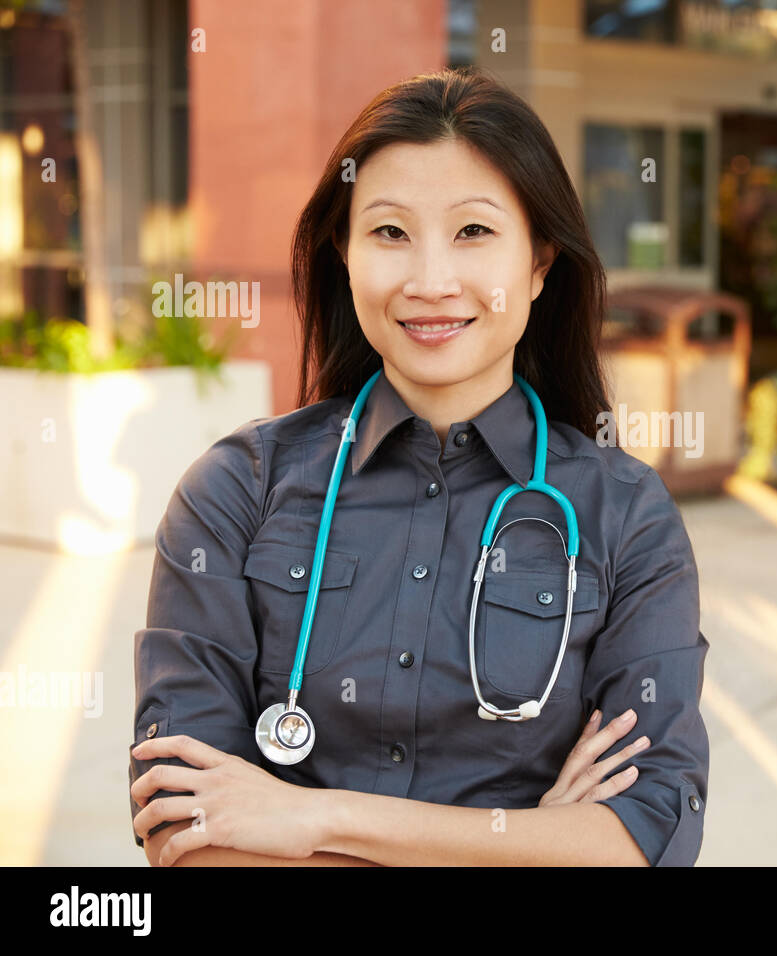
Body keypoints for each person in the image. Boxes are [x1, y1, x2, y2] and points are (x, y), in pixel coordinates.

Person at [127, 66, 709, 867]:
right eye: (390, 233)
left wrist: (311, 820)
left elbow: (647, 834)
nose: (431, 282)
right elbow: (182, 828)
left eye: (474, 233)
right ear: (344, 255)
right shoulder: (235, 493)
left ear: (540, 261)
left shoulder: (627, 518)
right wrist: (527, 845)